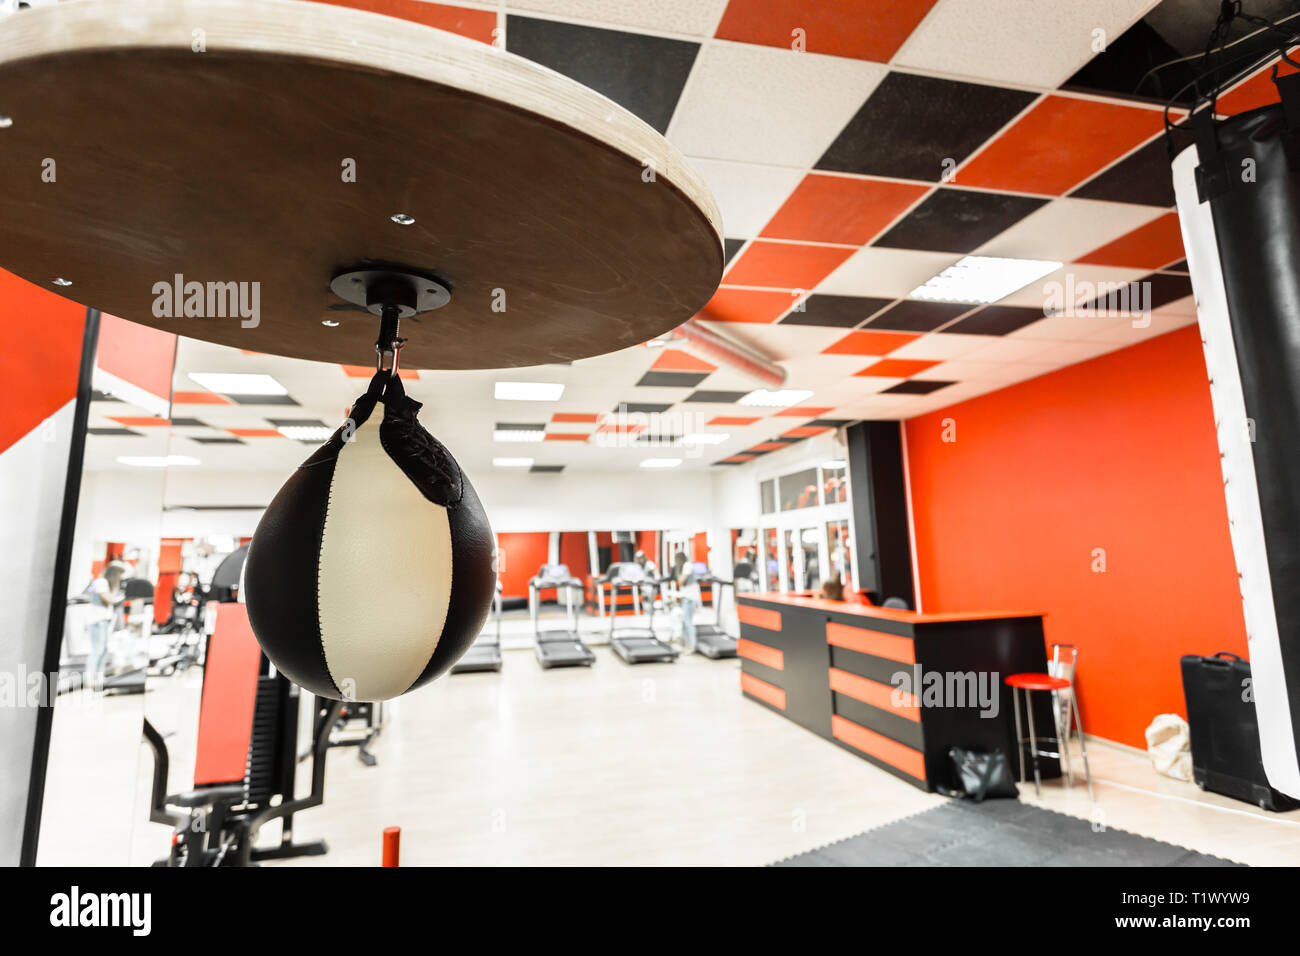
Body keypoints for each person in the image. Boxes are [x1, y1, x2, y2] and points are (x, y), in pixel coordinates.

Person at [86, 561, 128, 685]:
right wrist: (119, 597)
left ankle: (98, 677)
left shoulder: (107, 584)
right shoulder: (101, 582)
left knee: (103, 650)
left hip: (103, 621)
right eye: (119, 575)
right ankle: (90, 677)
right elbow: (109, 599)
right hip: (97, 621)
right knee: (97, 650)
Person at [675, 553, 701, 654]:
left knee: (688, 623)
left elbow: (681, 581)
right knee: (684, 622)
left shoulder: (687, 565)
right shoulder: (684, 567)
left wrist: (677, 571)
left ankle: (692, 646)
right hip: (686, 597)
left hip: (689, 598)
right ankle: (687, 645)